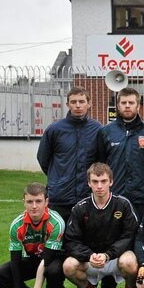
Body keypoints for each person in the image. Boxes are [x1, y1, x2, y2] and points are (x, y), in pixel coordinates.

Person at [62, 163, 139, 288]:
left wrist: (108, 255)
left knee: (130, 262)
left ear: (111, 181)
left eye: (103, 181)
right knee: (68, 266)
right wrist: (89, 255)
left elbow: (130, 235)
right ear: (89, 183)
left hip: (115, 258)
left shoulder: (123, 204)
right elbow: (71, 240)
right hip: (91, 260)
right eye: (95, 182)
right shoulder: (80, 208)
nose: (99, 186)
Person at [0, 183, 65, 288]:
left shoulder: (56, 222)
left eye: (38, 201)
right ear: (24, 202)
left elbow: (46, 260)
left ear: (46, 202)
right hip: (33, 259)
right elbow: (15, 261)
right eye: (30, 201)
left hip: (53, 259)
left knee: (53, 270)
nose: (34, 206)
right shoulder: (17, 225)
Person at [93, 87, 144, 223]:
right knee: (114, 237)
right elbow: (101, 163)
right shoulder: (105, 132)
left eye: (131, 103)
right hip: (114, 195)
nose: (127, 106)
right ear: (118, 105)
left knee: (140, 237)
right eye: (123, 103)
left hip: (140, 196)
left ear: (138, 105)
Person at [36, 87, 103, 222]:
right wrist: (58, 178)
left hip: (87, 195)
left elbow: (101, 160)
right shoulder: (55, 129)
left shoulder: (97, 129)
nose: (78, 105)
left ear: (89, 104)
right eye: (73, 102)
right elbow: (43, 159)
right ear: (67, 105)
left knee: (86, 239)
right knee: (58, 238)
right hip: (60, 196)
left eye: (82, 101)